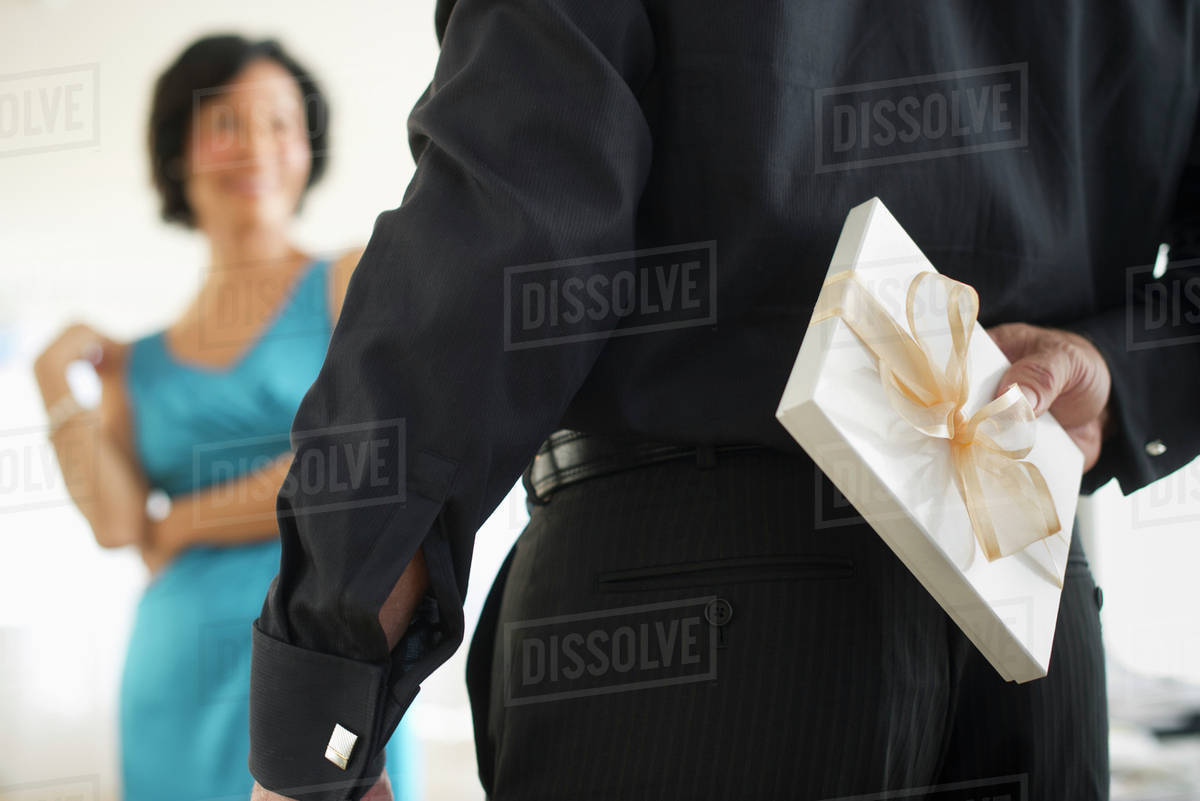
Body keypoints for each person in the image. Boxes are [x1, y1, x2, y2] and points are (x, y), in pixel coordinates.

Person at [248, 2, 1200, 800]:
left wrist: (323, 694)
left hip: (690, 614)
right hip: (1033, 624)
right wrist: (1119, 373)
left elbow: (511, 223)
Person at [32, 35, 420, 801]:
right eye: (227, 123)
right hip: (172, 676)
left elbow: (355, 465)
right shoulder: (136, 362)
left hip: (319, 658)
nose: (258, 146)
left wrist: (177, 520)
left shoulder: (348, 280)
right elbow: (117, 525)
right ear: (179, 150)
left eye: (280, 123)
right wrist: (52, 383)